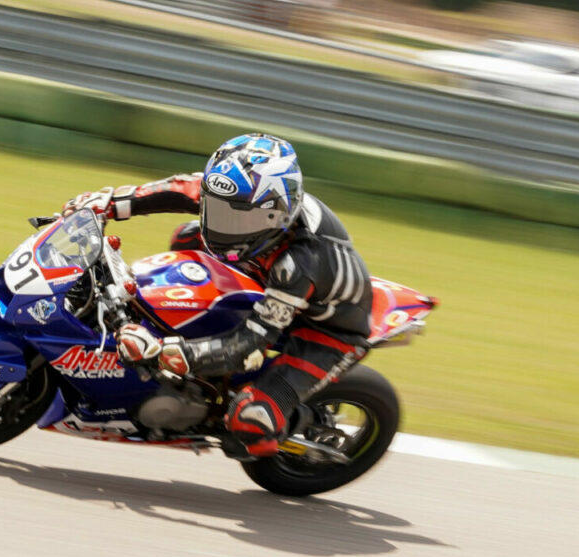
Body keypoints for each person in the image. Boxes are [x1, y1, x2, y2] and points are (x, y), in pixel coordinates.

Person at [62, 133, 373, 458]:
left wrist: (173, 353)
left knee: (250, 422)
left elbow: (249, 341)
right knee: (186, 238)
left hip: (325, 329)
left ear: (278, 213)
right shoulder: (242, 194)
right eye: (218, 211)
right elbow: (173, 190)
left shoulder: (299, 266)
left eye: (240, 219)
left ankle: (272, 431)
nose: (225, 228)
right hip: (262, 276)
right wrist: (104, 204)